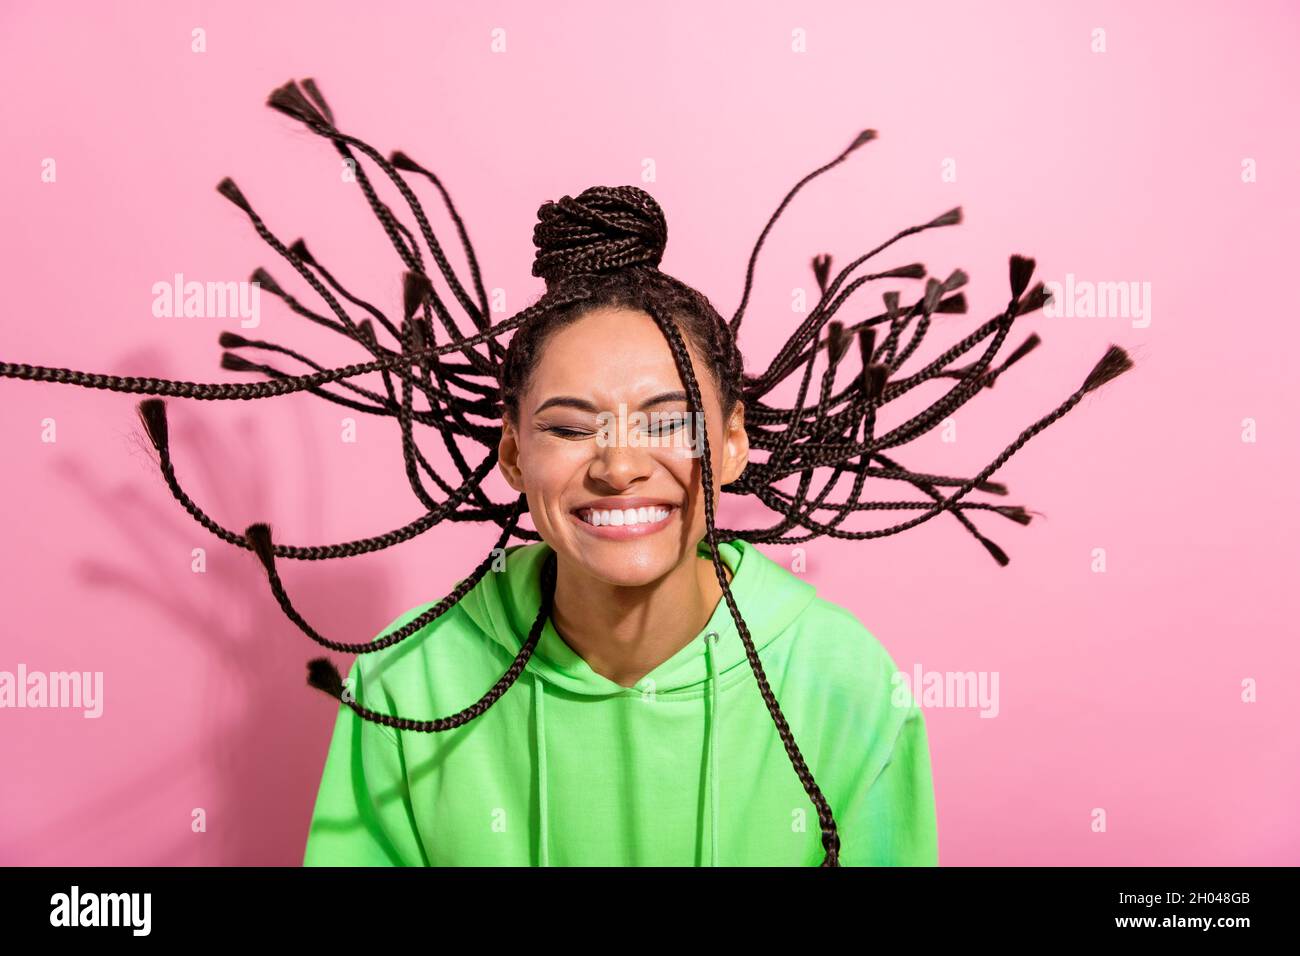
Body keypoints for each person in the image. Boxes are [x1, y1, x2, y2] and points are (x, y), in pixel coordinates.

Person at [0, 77, 1133, 867]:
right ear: (510, 451)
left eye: (668, 419)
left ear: (735, 440)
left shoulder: (843, 683)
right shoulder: (405, 692)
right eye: (570, 423)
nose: (619, 461)